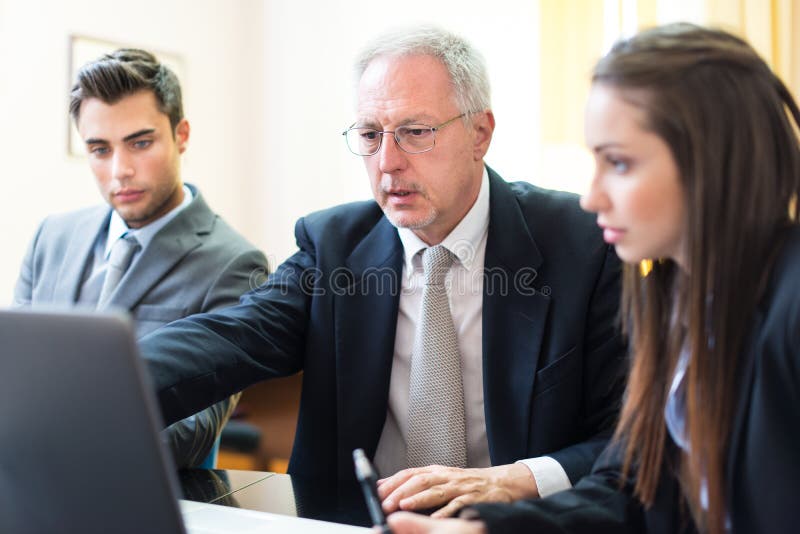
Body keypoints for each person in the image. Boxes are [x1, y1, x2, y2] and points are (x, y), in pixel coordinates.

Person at [140, 26, 626, 514]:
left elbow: (632, 435)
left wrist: (518, 480)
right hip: (360, 522)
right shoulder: (334, 245)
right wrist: (100, 381)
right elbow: (229, 339)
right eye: (370, 135)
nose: (387, 163)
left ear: (480, 134)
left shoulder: (583, 244)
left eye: (415, 133)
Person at [386, 23, 800, 534]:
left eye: (619, 163)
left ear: (711, 160)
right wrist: (482, 531)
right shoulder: (673, 300)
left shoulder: (790, 304)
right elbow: (632, 492)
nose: (592, 197)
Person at [13, 49, 268, 468]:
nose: (120, 170)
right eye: (99, 149)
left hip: (143, 497)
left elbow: (194, 429)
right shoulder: (51, 237)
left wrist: (60, 434)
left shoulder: (237, 264)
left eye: (140, 143)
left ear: (181, 134)